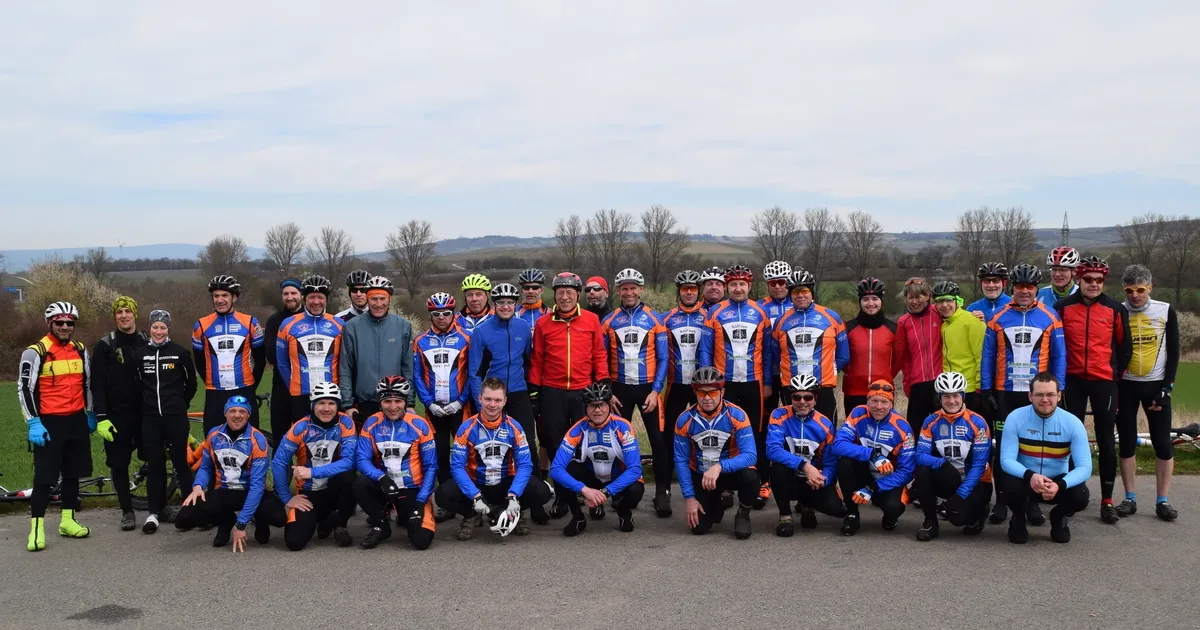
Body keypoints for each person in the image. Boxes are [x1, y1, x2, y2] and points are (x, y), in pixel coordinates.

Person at [981, 263, 1066, 525]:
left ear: (1036, 288)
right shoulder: (998, 318)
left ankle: (1031, 503)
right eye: (1020, 286)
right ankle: (1003, 501)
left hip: (1036, 394)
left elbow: (1060, 356)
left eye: (1030, 287)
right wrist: (986, 390)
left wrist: (1058, 389)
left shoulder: (1050, 316)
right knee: (1002, 448)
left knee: (1033, 450)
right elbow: (988, 356)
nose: (1025, 291)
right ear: (1012, 287)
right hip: (1005, 392)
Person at [1055, 255, 1131, 524]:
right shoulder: (1063, 307)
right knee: (1070, 438)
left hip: (1103, 382)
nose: (1094, 284)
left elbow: (1125, 349)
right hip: (1073, 381)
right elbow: (1055, 346)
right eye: (1088, 279)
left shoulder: (1115, 310)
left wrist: (1113, 376)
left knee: (1106, 439)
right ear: (1079, 279)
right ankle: (1073, 491)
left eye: (1099, 280)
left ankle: (1107, 499)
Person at [18, 302, 99, 551]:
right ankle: (37, 528)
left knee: (73, 473)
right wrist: (33, 422)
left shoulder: (80, 349)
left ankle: (67, 520)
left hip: (76, 419)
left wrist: (90, 412)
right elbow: (25, 389)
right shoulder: (36, 351)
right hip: (48, 422)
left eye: (70, 323)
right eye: (60, 322)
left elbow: (88, 384)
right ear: (49, 324)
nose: (65, 327)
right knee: (44, 478)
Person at [530, 272, 609, 518]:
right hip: (553, 391)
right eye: (560, 292)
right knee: (556, 445)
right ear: (554, 295)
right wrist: (535, 390)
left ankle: (596, 496)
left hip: (583, 390)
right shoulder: (544, 323)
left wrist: (603, 382)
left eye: (570, 292)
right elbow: (537, 359)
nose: (565, 297)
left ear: (577, 295)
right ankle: (564, 497)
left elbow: (598, 353)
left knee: (588, 445)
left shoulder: (591, 320)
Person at [435, 378, 551, 540]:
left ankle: (509, 510)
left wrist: (513, 495)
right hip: (477, 483)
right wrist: (475, 496)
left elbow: (525, 465)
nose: (492, 404)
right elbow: (457, 467)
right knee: (442, 495)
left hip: (505, 484)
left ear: (504, 401)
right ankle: (471, 513)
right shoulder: (466, 427)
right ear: (480, 398)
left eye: (497, 400)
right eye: (488, 399)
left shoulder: (515, 427)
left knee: (542, 491)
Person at [703, 264, 773, 508]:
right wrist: (708, 381)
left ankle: (757, 483)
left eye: (742, 284)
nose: (738, 288)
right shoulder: (715, 312)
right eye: (733, 284)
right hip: (726, 382)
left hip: (753, 382)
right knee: (725, 432)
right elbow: (706, 349)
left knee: (755, 432)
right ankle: (724, 485)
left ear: (749, 286)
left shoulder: (760, 312)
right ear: (726, 287)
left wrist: (767, 383)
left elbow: (768, 352)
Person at [176, 395, 282, 551]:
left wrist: (241, 525)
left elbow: (257, 486)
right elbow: (206, 467)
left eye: (242, 411)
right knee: (182, 519)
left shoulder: (258, 440)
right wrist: (198, 486)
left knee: (280, 518)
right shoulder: (214, 435)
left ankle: (260, 519)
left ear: (248, 415)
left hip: (250, 491)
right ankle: (226, 520)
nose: (237, 415)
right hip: (224, 491)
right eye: (232, 411)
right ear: (225, 413)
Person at [1117, 264, 1180, 521]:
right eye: (1130, 290)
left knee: (1163, 444)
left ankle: (1162, 501)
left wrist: (1167, 387)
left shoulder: (1165, 310)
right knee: (1127, 442)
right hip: (1127, 386)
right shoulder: (1118, 311)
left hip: (1156, 386)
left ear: (1149, 288)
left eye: (1140, 290)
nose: (1135, 295)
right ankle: (1129, 498)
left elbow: (1174, 351)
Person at [998, 372, 1091, 544]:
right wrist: (1030, 476)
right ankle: (1018, 518)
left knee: (1081, 495)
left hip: (1056, 482)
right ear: (1030, 396)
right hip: (1027, 480)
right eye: (1039, 394)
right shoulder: (1015, 418)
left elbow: (1085, 467)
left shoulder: (1073, 423)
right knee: (1008, 484)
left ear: (1059, 396)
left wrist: (1059, 484)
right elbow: (1006, 460)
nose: (1045, 399)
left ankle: (1058, 516)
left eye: (1050, 394)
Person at [601, 268, 667, 500]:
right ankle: (619, 489)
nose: (629, 292)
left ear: (640, 289)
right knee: (618, 442)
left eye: (633, 288)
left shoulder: (655, 318)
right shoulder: (608, 320)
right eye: (624, 288)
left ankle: (662, 491)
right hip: (619, 390)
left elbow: (663, 358)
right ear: (618, 291)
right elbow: (602, 358)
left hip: (648, 388)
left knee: (658, 441)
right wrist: (608, 392)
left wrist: (656, 390)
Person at [549, 381, 645, 535]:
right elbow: (555, 469)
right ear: (586, 407)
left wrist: (606, 492)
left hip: (615, 477)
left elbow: (635, 469)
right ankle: (578, 516)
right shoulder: (578, 429)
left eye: (601, 405)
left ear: (609, 405)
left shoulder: (623, 427)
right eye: (592, 405)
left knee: (636, 489)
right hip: (591, 478)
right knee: (564, 474)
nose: (597, 410)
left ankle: (623, 509)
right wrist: (585, 490)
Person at [672, 367, 758, 539]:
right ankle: (715, 502)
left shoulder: (737, 415)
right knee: (699, 528)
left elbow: (750, 455)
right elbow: (681, 460)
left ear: (722, 391)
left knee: (751, 476)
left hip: (728, 472)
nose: (707, 398)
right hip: (702, 475)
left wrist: (719, 466)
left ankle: (743, 514)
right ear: (694, 393)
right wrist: (689, 498)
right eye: (701, 393)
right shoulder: (684, 420)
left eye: (712, 392)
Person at [354, 376, 438, 550]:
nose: (393, 407)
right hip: (385, 485)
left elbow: (431, 467)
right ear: (380, 402)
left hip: (411, 488)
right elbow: (361, 459)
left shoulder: (419, 424)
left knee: (421, 541)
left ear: (406, 401)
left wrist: (420, 503)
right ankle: (381, 524)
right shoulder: (371, 423)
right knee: (360, 484)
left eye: (398, 401)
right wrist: (381, 478)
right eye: (387, 401)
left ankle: (404, 512)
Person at [271, 382, 357, 550]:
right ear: (312, 405)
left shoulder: (346, 423)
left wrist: (312, 472)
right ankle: (325, 520)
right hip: (309, 493)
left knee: (350, 478)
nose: (326, 408)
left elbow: (349, 461)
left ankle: (340, 524)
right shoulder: (300, 427)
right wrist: (286, 498)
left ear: (338, 405)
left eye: (331, 403)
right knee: (294, 542)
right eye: (321, 403)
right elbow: (279, 461)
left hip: (334, 488)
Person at [132, 309, 197, 534]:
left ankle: (191, 510)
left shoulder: (179, 353)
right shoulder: (140, 354)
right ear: (149, 328)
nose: (159, 331)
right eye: (155, 327)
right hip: (150, 419)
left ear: (168, 329)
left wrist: (179, 405)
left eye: (163, 327)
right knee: (155, 465)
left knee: (181, 463)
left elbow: (192, 386)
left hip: (175, 417)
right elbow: (138, 385)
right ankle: (154, 512)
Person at [655, 269, 712, 517]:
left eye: (693, 288)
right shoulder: (665, 318)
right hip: (676, 386)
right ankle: (665, 489)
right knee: (670, 438)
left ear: (698, 291)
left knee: (710, 434)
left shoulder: (709, 316)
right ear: (678, 291)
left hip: (703, 387)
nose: (689, 292)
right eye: (684, 288)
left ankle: (716, 487)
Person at [90, 295, 149, 530]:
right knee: (119, 464)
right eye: (119, 312)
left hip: (145, 414)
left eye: (127, 311)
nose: (123, 315)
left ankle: (159, 507)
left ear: (135, 313)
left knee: (154, 460)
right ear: (115, 316)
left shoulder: (146, 340)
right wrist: (101, 416)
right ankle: (127, 511)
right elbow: (97, 384)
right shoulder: (106, 344)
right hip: (117, 415)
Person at [912, 371, 992, 541]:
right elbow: (919, 456)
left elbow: (979, 465)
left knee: (957, 518)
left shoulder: (978, 422)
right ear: (939, 398)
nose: (951, 401)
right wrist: (941, 463)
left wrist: (960, 496)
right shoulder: (931, 421)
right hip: (949, 476)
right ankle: (930, 522)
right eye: (946, 396)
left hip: (976, 482)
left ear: (963, 396)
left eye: (956, 395)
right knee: (923, 471)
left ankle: (979, 512)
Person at [830, 380, 914, 536]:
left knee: (893, 508)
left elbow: (907, 472)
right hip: (862, 471)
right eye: (874, 401)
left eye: (884, 401)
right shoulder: (858, 413)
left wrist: (872, 488)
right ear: (867, 401)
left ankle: (887, 512)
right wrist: (873, 454)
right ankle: (852, 514)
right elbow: (838, 444)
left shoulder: (903, 427)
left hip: (887, 478)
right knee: (845, 462)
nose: (879, 406)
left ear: (892, 403)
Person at [766, 374, 846, 537]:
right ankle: (785, 516)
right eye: (797, 397)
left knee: (835, 509)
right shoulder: (778, 415)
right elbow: (772, 449)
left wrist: (823, 479)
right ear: (791, 398)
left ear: (815, 399)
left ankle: (807, 506)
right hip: (789, 475)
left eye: (808, 397)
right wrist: (804, 465)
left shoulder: (825, 424)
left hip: (812, 480)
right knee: (777, 467)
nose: (802, 401)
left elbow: (831, 463)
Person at [769, 267, 848, 422]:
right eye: (795, 292)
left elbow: (844, 356)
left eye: (804, 291)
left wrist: (827, 371)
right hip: (791, 388)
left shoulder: (832, 317)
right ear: (790, 295)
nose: (800, 295)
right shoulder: (781, 321)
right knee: (793, 434)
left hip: (823, 386)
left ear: (812, 292)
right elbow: (776, 355)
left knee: (826, 433)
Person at [193, 275, 265, 433]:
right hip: (214, 393)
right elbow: (199, 363)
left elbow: (260, 361)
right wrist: (212, 383)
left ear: (235, 297)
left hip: (244, 389)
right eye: (216, 296)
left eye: (224, 295)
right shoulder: (201, 325)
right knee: (213, 442)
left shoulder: (250, 323)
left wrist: (251, 387)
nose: (220, 300)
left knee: (249, 441)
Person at [414, 292, 470, 495]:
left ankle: (469, 495)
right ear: (430, 315)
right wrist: (428, 403)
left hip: (460, 408)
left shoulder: (466, 338)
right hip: (434, 410)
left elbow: (471, 374)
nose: (441, 318)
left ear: (453, 313)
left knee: (465, 453)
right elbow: (417, 376)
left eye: (446, 313)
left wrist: (461, 401)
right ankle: (447, 496)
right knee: (440, 453)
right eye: (436, 314)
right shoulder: (420, 341)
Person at [339, 276, 413, 427]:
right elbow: (345, 367)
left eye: (382, 298)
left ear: (389, 299)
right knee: (366, 448)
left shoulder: (403, 326)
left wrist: (410, 402)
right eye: (374, 299)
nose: (378, 304)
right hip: (365, 402)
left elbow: (408, 367)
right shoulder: (352, 326)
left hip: (395, 401)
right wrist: (347, 405)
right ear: (367, 298)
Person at [276, 275, 345, 427]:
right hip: (300, 394)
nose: (316, 302)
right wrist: (293, 385)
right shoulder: (287, 324)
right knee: (302, 441)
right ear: (303, 298)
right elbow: (282, 363)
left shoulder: (339, 324)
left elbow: (344, 363)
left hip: (330, 395)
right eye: (311, 297)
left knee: (331, 440)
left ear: (326, 299)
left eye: (320, 297)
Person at [892, 277, 942, 434]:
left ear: (927, 296)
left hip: (940, 382)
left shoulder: (939, 313)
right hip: (917, 384)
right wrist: (907, 382)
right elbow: (901, 356)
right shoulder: (903, 322)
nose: (915, 301)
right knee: (915, 431)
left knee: (940, 429)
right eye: (910, 297)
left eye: (918, 296)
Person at [843, 277, 897, 412]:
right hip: (854, 391)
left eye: (875, 299)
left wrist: (886, 376)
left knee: (882, 431)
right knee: (855, 431)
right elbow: (842, 356)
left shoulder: (893, 328)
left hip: (883, 390)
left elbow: (899, 359)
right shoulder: (848, 328)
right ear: (860, 302)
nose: (870, 303)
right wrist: (852, 375)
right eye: (866, 299)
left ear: (881, 302)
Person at [933, 280, 986, 412]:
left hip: (970, 389)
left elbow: (982, 357)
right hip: (949, 388)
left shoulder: (972, 321)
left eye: (949, 300)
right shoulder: (944, 324)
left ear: (958, 301)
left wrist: (980, 388)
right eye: (940, 301)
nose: (944, 305)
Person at [265, 278, 304, 441]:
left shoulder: (309, 318)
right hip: (282, 385)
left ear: (301, 295)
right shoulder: (274, 321)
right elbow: (272, 356)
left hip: (305, 387)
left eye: (293, 293)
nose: (289, 297)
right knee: (280, 437)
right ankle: (282, 467)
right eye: (285, 293)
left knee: (305, 438)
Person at [758, 260, 794, 328]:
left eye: (781, 282)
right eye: (773, 283)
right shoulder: (759, 306)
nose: (777, 287)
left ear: (788, 283)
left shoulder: (799, 304)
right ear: (767, 285)